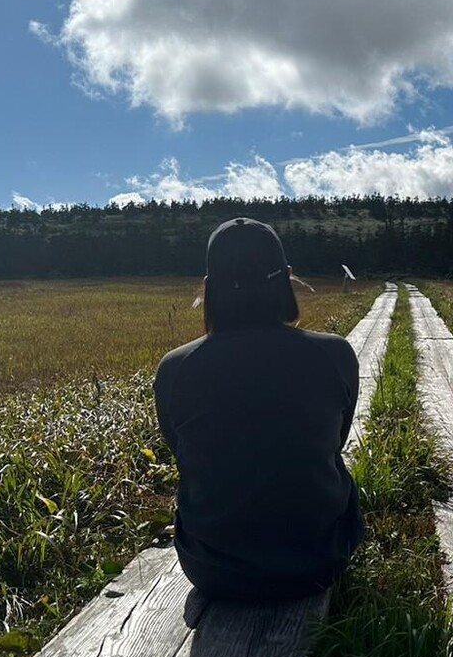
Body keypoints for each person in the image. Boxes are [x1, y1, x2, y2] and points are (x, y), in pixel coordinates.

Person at [154, 217, 363, 612]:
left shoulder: (175, 368)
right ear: (285, 279)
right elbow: (336, 441)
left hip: (212, 568)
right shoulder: (334, 354)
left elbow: (180, 452)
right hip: (320, 560)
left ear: (209, 286)